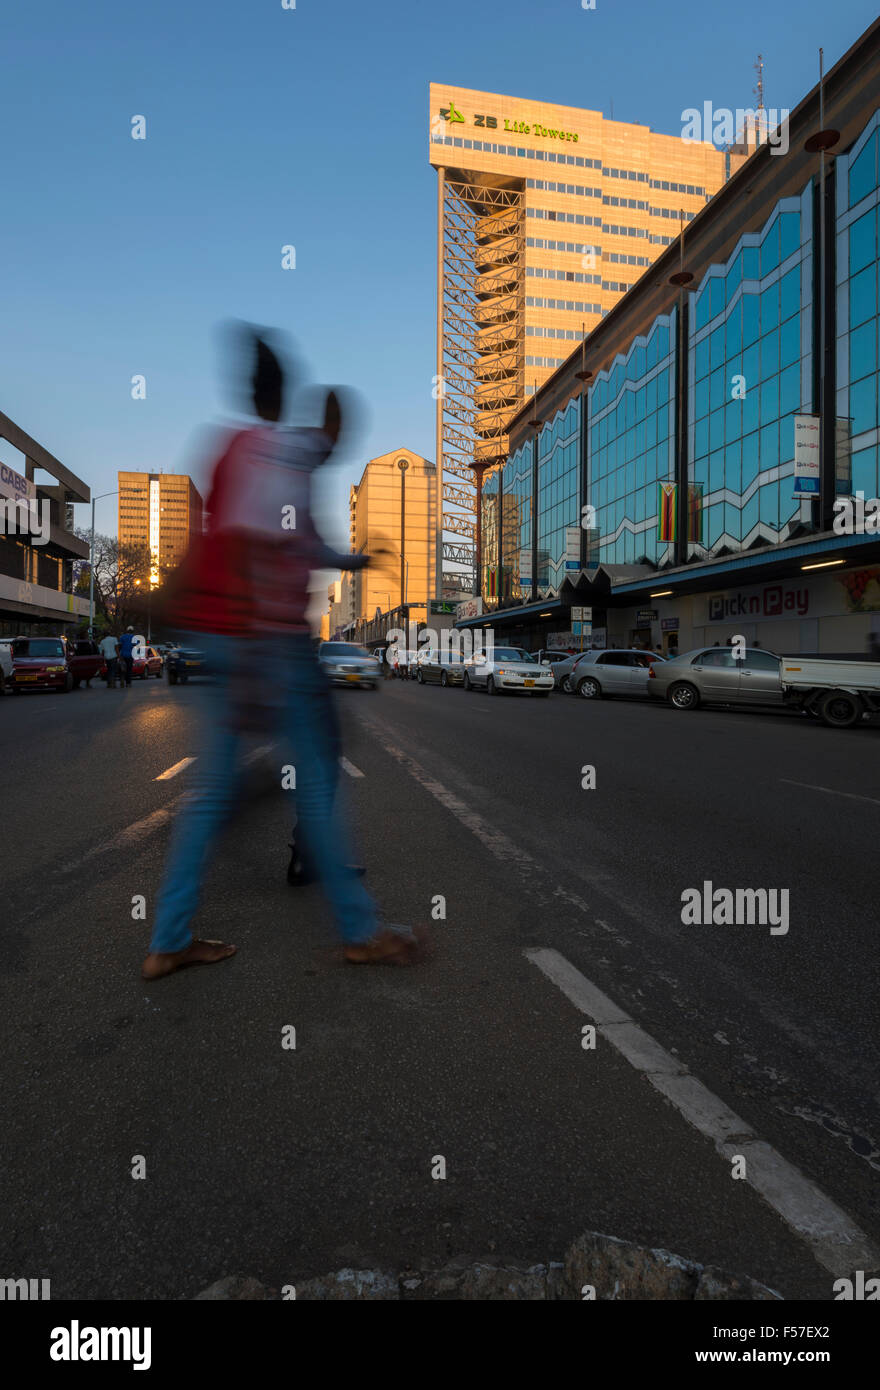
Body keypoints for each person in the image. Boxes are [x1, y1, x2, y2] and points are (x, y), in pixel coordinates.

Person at [142, 328, 427, 981]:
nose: (340, 443)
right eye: (340, 429)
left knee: (213, 793)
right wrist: (255, 655)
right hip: (263, 638)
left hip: (231, 633)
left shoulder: (241, 448)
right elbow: (249, 545)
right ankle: (359, 931)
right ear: (323, 422)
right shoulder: (283, 452)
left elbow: (302, 544)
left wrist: (357, 560)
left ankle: (168, 941)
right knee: (320, 773)